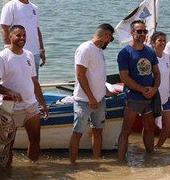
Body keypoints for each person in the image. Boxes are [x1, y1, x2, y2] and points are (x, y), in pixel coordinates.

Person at [0, 24, 49, 166]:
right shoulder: (1, 57)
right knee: (8, 144)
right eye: (18, 35)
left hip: (31, 105)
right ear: (10, 37)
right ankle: (7, 175)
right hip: (10, 107)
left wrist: (43, 104)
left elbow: (35, 82)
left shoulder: (28, 55)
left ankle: (32, 170)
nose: (22, 38)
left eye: (24, 35)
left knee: (35, 140)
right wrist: (10, 92)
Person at [69, 24, 114, 165]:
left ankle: (96, 160)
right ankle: (72, 163)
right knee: (77, 133)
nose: (110, 42)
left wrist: (104, 92)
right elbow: (80, 75)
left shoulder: (99, 51)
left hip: (100, 100)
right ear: (106, 36)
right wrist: (91, 97)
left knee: (98, 131)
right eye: (111, 39)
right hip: (84, 100)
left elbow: (97, 75)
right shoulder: (85, 49)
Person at [116, 21, 160, 162]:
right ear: (132, 33)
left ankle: (150, 157)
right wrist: (141, 89)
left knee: (149, 127)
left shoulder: (150, 51)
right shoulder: (125, 53)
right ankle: (121, 162)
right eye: (139, 31)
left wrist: (154, 89)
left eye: (144, 31)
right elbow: (124, 77)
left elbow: (157, 73)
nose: (142, 34)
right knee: (126, 130)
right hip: (133, 97)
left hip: (149, 96)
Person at [0, 0, 45, 71]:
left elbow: (36, 29)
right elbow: (4, 27)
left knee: (33, 82)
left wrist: (42, 49)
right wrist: (8, 47)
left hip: (34, 53)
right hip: (18, 51)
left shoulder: (34, 8)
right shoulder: (10, 6)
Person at [150, 31, 170, 148]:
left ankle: (158, 146)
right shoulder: (149, 57)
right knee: (149, 127)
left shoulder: (167, 57)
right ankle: (148, 148)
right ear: (153, 43)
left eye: (164, 40)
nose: (163, 43)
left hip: (165, 97)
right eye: (159, 40)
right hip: (153, 98)